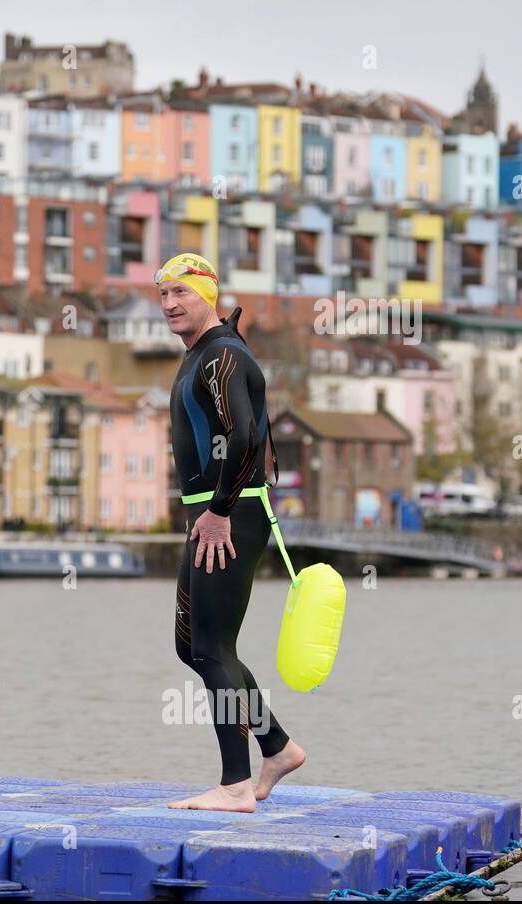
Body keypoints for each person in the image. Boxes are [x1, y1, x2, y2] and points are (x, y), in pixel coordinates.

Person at [156, 252, 307, 812]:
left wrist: (218, 510)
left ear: (209, 296)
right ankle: (277, 746)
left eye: (182, 293)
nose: (171, 304)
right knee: (192, 646)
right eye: (164, 296)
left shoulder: (220, 355)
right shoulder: (202, 353)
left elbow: (242, 438)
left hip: (231, 514)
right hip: (212, 515)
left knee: (213, 647)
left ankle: (235, 784)